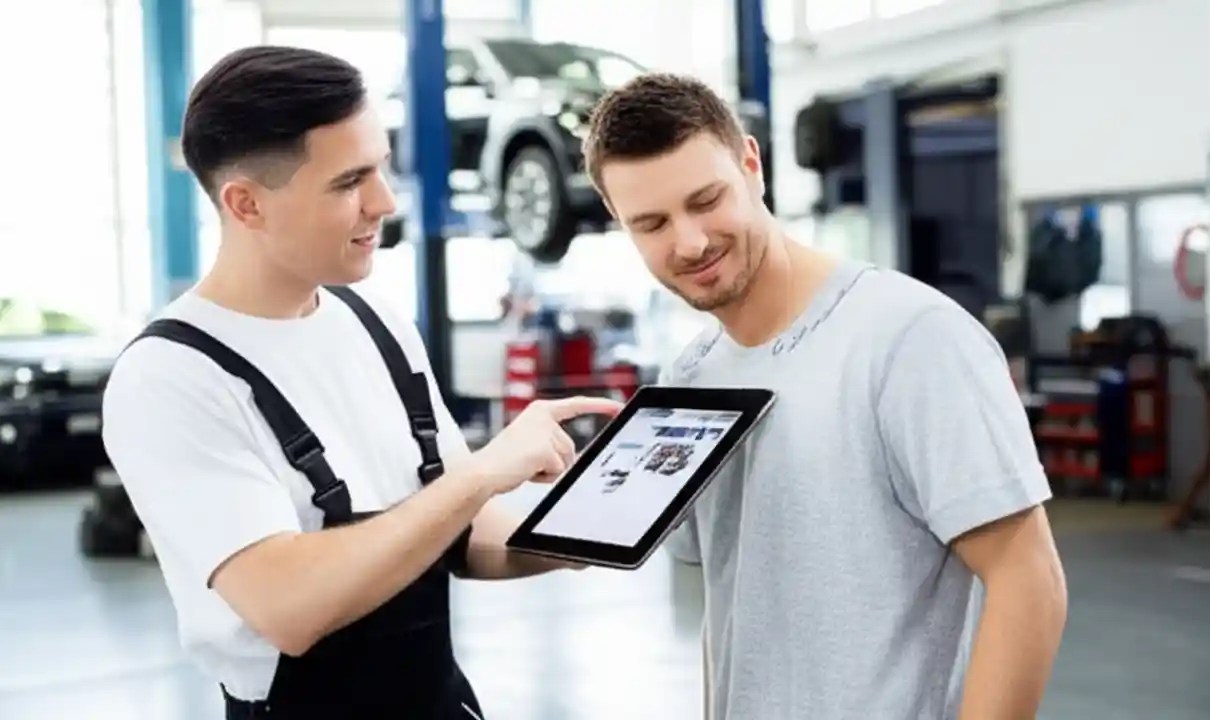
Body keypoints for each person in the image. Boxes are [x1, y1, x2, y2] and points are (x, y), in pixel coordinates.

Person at [101, 46, 620, 719]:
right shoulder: (170, 379)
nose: (386, 201)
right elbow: (288, 608)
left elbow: (455, 530)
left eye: (381, 166)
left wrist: (587, 533)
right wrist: (482, 474)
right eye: (349, 182)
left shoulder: (374, 320)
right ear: (246, 204)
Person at [583, 73, 1069, 720]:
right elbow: (728, 605)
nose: (691, 242)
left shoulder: (908, 339)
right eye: (652, 223)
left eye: (706, 200)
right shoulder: (688, 379)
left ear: (751, 165)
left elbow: (1027, 581)